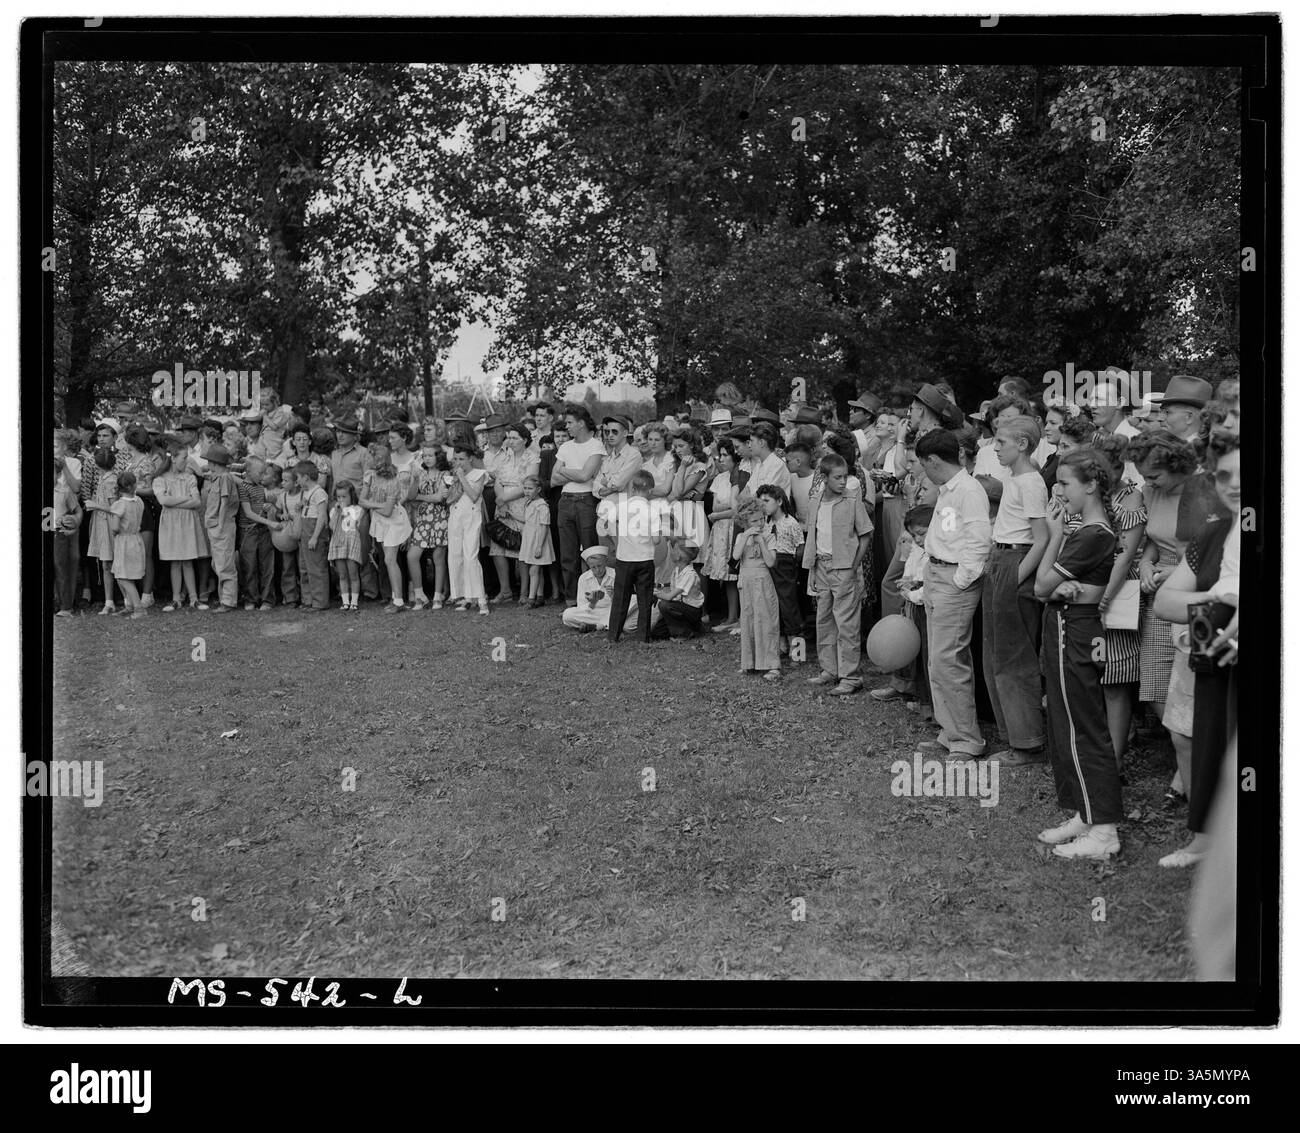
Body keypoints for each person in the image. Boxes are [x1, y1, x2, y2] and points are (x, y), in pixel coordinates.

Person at [1152, 434, 1240, 868]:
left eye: (1244, 473)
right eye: (1224, 474)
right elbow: (1166, 602)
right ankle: (1204, 839)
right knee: (1206, 742)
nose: (1234, 484)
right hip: (1212, 657)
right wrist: (1222, 598)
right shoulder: (1212, 533)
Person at [1034, 449, 1123, 861]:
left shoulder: (1092, 534)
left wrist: (1053, 537)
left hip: (1076, 627)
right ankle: (1084, 812)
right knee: (1064, 720)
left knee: (1084, 725)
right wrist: (1054, 587)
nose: (1060, 491)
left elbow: (1039, 586)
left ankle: (1105, 829)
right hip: (1064, 625)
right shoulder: (1085, 530)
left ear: (1090, 485)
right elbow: (1048, 588)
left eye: (1066, 483)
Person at [1129, 429, 1197, 796]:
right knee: (1154, 678)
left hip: (1198, 583)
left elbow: (1214, 550)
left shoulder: (1204, 490)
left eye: (1153, 475)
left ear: (1176, 465)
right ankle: (1183, 757)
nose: (1146, 481)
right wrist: (1145, 565)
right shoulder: (1152, 491)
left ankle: (1187, 773)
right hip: (1159, 583)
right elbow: (1153, 541)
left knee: (1193, 680)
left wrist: (1179, 572)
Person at [916, 429, 991, 755]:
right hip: (938, 574)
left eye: (923, 464)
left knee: (950, 661)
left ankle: (967, 740)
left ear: (933, 461)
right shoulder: (948, 490)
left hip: (953, 582)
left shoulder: (968, 491)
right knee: (939, 662)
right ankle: (950, 732)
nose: (923, 471)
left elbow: (978, 540)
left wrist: (960, 580)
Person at [981, 416, 1050, 764]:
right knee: (994, 653)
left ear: (1022, 444)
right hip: (1001, 558)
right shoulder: (1016, 477)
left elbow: (1042, 539)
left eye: (1001, 443)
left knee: (1014, 658)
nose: (995, 448)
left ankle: (1027, 744)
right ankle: (1012, 735)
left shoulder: (1032, 483)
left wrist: (1015, 578)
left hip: (1015, 563)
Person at [1092, 434, 1147, 772]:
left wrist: (1102, 600)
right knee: (1092, 674)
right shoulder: (1090, 493)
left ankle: (1113, 758)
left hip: (1117, 589)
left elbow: (1124, 557)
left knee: (1115, 678)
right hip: (1086, 585)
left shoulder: (1130, 497)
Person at [803, 452, 873, 695]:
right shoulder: (815, 501)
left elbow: (865, 534)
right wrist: (811, 566)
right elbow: (812, 534)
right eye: (838, 477)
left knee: (847, 623)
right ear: (824, 478)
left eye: (845, 477)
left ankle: (850, 676)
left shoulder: (852, 500)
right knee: (824, 618)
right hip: (820, 565)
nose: (843, 482)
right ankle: (829, 669)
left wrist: (854, 565)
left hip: (844, 567)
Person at [552, 407, 605, 605]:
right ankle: (572, 600)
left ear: (581, 423)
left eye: (569, 423)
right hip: (565, 501)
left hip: (586, 501)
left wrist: (564, 470)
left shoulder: (596, 445)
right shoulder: (565, 446)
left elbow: (586, 476)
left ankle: (596, 599)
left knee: (591, 551)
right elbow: (553, 478)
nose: (567, 427)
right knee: (568, 555)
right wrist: (577, 472)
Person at [153, 437, 208, 612]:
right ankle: (176, 598)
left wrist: (174, 501)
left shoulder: (189, 478)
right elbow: (163, 500)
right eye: (184, 458)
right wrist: (186, 499)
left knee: (188, 560)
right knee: (175, 561)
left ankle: (194, 598)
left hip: (187, 522)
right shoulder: (160, 479)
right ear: (173, 458)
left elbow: (197, 502)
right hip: (171, 523)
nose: (187, 461)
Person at [363, 443, 417, 614]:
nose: (366, 460)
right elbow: (361, 500)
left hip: (394, 521)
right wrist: (379, 505)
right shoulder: (369, 476)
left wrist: (372, 505)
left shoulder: (394, 480)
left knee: (389, 560)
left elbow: (388, 511)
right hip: (381, 521)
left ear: (378, 459)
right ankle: (397, 598)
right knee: (388, 559)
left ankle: (399, 600)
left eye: (369, 457)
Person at [330, 417, 379, 602]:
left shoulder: (364, 454)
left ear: (355, 436)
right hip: (339, 509)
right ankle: (345, 591)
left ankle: (369, 591)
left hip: (358, 508)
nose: (340, 435)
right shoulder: (334, 454)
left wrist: (365, 509)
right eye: (338, 431)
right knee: (341, 549)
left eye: (345, 432)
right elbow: (333, 483)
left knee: (362, 548)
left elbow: (371, 481)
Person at [733, 498, 782, 680]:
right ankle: (749, 663)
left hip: (762, 581)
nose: (759, 523)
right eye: (754, 521)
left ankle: (772, 665)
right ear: (745, 522)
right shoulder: (741, 537)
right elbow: (736, 556)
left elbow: (771, 562)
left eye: (761, 519)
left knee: (766, 620)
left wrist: (761, 542)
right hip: (746, 582)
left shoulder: (769, 536)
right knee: (748, 620)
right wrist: (746, 536)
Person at [757, 484, 803, 657]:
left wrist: (794, 566)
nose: (763, 505)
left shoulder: (791, 523)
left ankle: (798, 650)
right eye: (760, 501)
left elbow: (800, 547)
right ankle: (781, 644)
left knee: (789, 605)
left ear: (779, 501)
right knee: (773, 604)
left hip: (785, 565)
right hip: (769, 564)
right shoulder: (764, 524)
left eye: (767, 501)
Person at [703, 437, 743, 632]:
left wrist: (719, 514)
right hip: (721, 530)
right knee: (726, 576)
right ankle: (731, 615)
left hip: (732, 527)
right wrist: (725, 508)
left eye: (725, 455)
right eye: (720, 455)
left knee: (737, 574)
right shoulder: (720, 479)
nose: (721, 459)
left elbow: (737, 509)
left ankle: (739, 616)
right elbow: (716, 504)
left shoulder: (741, 476)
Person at [408, 444, 452, 610]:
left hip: (440, 517)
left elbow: (440, 497)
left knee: (438, 557)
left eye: (430, 455)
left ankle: (437, 596)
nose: (426, 458)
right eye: (424, 456)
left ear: (438, 456)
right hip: (423, 518)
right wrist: (415, 479)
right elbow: (411, 497)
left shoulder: (445, 474)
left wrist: (421, 496)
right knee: (412, 556)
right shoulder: (421, 474)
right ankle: (419, 595)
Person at [593, 414, 643, 558]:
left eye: (614, 432)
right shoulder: (608, 457)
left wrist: (607, 482)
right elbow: (595, 489)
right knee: (607, 559)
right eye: (607, 432)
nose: (610, 435)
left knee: (624, 559)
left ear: (625, 433)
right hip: (604, 515)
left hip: (624, 517)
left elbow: (619, 483)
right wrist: (610, 485)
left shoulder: (634, 455)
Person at [201, 445, 240, 613]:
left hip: (221, 526)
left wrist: (220, 525)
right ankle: (224, 598)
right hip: (216, 526)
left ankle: (229, 601)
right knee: (218, 563)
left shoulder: (224, 478)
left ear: (214, 462)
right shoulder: (219, 477)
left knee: (224, 564)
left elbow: (224, 503)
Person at [235, 455, 277, 611]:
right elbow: (248, 513)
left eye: (264, 473)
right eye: (260, 473)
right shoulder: (243, 488)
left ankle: (267, 599)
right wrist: (269, 522)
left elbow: (260, 507)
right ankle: (251, 599)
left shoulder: (260, 487)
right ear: (248, 471)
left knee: (267, 566)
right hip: (248, 532)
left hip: (262, 531)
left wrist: (266, 507)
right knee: (249, 566)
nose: (262, 476)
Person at [561, 545, 633, 632]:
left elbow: (624, 603)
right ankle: (608, 624)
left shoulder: (616, 575)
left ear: (605, 562)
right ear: (588, 566)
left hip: (612, 611)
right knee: (567, 615)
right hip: (592, 613)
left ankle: (598, 626)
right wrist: (592, 603)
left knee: (633, 600)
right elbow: (581, 606)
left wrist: (614, 597)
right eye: (593, 567)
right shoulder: (583, 578)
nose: (597, 570)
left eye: (600, 566)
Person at [84, 447, 120, 613]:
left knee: (112, 563)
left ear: (97, 465)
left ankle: (122, 600)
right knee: (106, 563)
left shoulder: (110, 480)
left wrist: (94, 504)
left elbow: (114, 507)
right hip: (101, 524)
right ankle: (109, 601)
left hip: (109, 525)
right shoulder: (104, 479)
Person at [107, 471, 147, 618]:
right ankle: (129, 605)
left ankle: (138, 608)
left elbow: (115, 527)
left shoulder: (119, 505)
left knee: (123, 576)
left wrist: (114, 529)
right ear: (133, 485)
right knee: (121, 574)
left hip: (124, 541)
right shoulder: (139, 501)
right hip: (136, 539)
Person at [52, 432, 83, 616]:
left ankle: (67, 604)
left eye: (55, 445)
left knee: (67, 563)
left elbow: (76, 489)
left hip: (67, 519)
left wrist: (62, 466)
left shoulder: (73, 463)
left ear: (65, 447)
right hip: (50, 521)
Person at [651, 538, 707, 639]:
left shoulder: (690, 574)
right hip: (681, 607)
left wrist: (655, 593)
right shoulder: (676, 571)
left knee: (664, 605)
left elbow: (669, 597)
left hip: (692, 610)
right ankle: (692, 628)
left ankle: (685, 633)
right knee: (656, 633)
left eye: (673, 549)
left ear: (679, 555)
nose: (670, 551)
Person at [294, 460, 331, 612]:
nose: (297, 481)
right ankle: (307, 599)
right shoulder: (305, 492)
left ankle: (320, 602)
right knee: (304, 567)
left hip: (314, 531)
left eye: (298, 477)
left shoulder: (319, 492)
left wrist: (315, 537)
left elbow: (322, 516)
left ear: (306, 477)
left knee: (316, 567)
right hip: (304, 531)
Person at [519, 474, 556, 607]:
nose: (527, 491)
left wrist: (539, 546)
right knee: (537, 570)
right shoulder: (529, 503)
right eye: (525, 488)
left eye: (530, 488)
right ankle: (540, 596)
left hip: (539, 540)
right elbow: (526, 521)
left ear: (538, 489)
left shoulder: (542, 506)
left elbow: (544, 525)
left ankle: (531, 599)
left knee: (534, 571)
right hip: (530, 540)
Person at [328, 480, 366, 611]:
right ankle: (345, 602)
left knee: (353, 573)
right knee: (342, 574)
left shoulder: (358, 509)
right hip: (338, 543)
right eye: (338, 497)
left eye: (344, 497)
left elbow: (354, 524)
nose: (341, 499)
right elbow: (332, 526)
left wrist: (345, 510)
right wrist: (338, 512)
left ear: (351, 496)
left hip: (351, 542)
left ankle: (354, 601)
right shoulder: (334, 510)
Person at [1160, 374, 1213, 444]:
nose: (1160, 418)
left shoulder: (1201, 453)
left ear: (1189, 417)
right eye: (1161, 412)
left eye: (1167, 412)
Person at [847, 393, 884, 468]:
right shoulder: (852, 433)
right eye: (851, 408)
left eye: (855, 410)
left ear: (868, 415)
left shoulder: (876, 438)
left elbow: (865, 465)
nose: (850, 412)